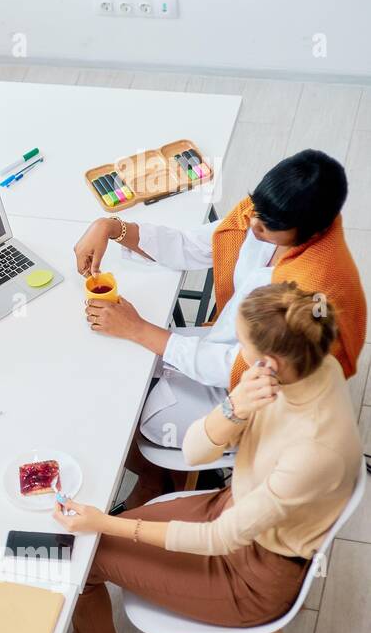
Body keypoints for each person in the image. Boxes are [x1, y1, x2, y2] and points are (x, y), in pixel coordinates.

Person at [50, 282, 362, 633]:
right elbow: (195, 451)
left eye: (242, 347)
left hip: (251, 573)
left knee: (86, 553)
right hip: (236, 506)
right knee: (100, 535)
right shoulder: (311, 365)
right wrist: (234, 407)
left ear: (269, 361)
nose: (238, 358)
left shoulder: (311, 452)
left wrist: (103, 521)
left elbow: (219, 540)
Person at [73, 149, 365, 505]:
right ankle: (159, 478)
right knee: (122, 369)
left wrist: (141, 331)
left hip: (264, 392)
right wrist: (112, 227)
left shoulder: (310, 291)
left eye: (267, 227)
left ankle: (161, 479)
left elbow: (243, 367)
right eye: (255, 211)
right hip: (227, 346)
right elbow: (196, 245)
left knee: (132, 408)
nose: (252, 226)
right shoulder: (266, 213)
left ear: (311, 232)